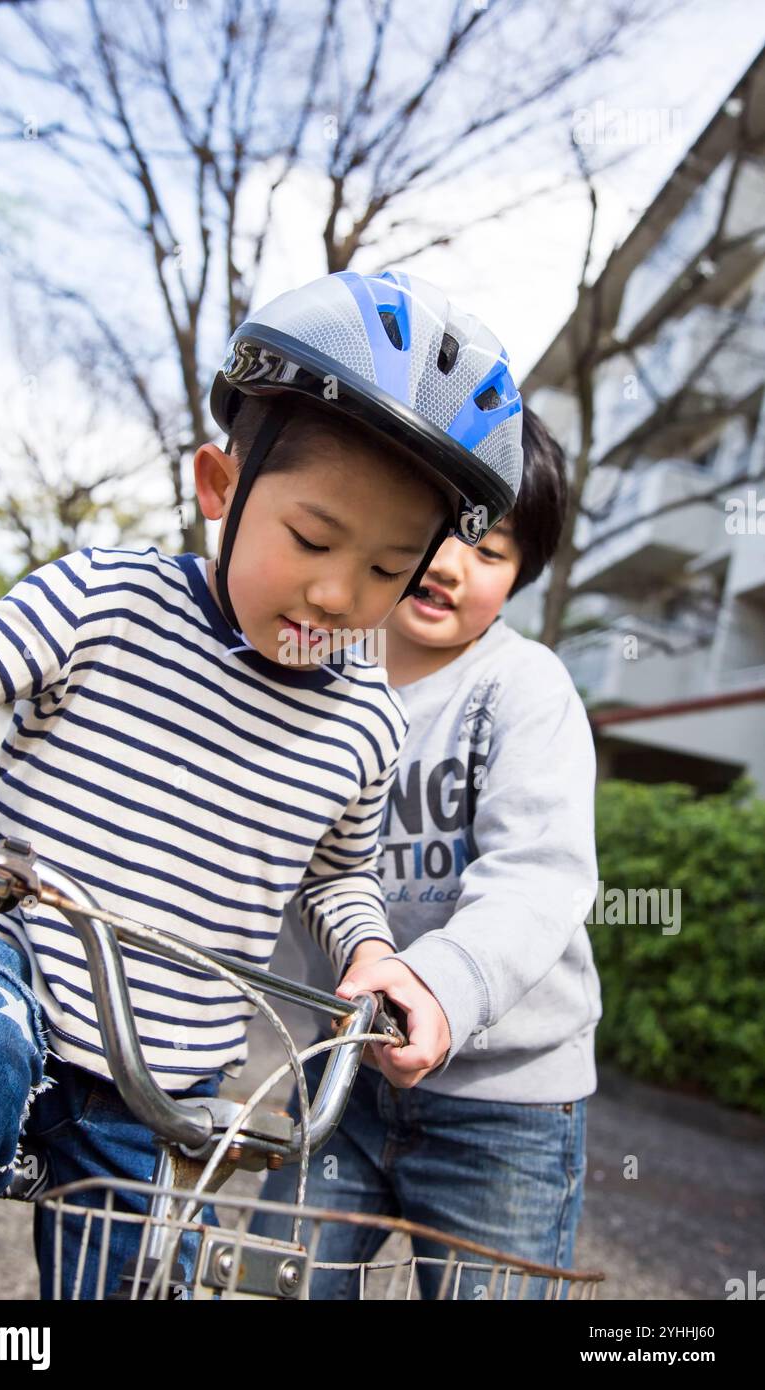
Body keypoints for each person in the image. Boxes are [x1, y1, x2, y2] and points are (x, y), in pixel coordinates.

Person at [0, 268, 524, 1298]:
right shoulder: (104, 600)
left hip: (169, 1069)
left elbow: (336, 875)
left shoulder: (367, 719)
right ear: (220, 489)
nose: (335, 591)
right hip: (6, 964)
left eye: (383, 571)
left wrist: (371, 952)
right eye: (311, 539)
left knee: (146, 1281)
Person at [256, 405, 602, 1301]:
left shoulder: (522, 689)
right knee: (270, 1284)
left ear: (520, 576)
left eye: (491, 552)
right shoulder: (313, 675)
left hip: (505, 1104)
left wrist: (441, 987)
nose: (451, 564)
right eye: (441, 531)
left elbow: (540, 875)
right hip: (343, 1074)